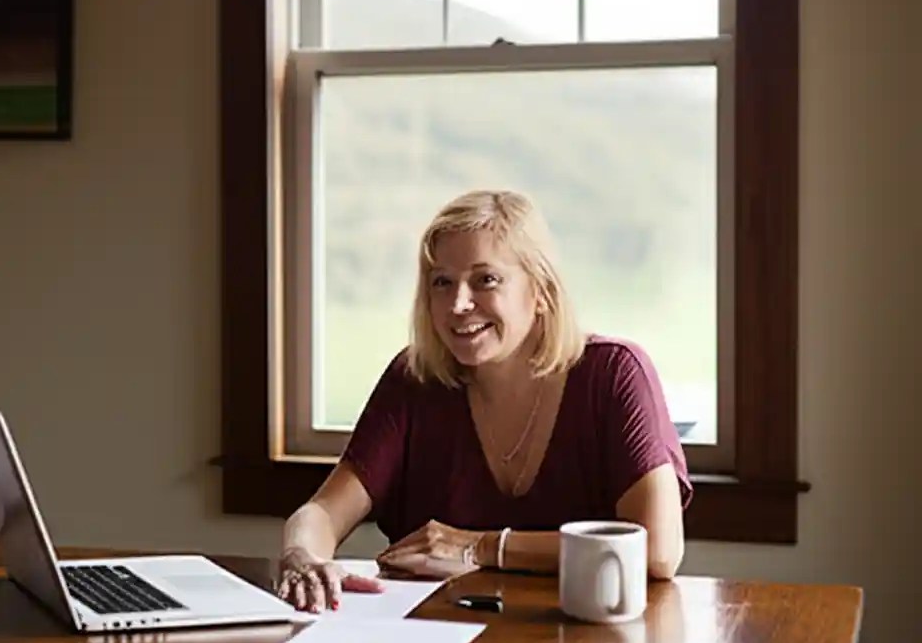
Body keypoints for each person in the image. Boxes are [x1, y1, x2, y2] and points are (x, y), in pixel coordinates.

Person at [276, 189, 692, 613]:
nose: (458, 304)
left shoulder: (615, 374)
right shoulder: (413, 380)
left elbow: (657, 550)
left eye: (485, 279)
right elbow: (323, 513)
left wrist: (479, 547)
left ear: (542, 290)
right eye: (442, 282)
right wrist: (303, 556)